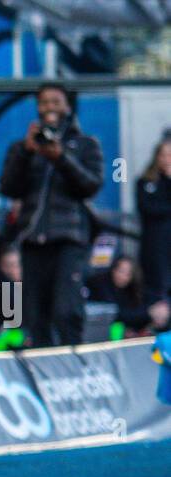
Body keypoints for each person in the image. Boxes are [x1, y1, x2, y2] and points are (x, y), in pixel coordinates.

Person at [0, 83, 103, 347]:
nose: (49, 108)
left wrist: (61, 158)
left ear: (67, 105)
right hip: (32, 239)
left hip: (69, 238)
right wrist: (25, 152)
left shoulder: (86, 145)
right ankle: (44, 367)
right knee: (35, 313)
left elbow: (90, 186)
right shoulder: (22, 147)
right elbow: (9, 187)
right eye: (44, 102)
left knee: (66, 309)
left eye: (55, 101)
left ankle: (73, 364)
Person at [86, 256, 171, 338]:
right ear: (113, 269)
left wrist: (159, 308)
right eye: (120, 271)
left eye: (128, 274)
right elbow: (116, 313)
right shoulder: (101, 285)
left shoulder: (132, 287)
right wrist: (148, 313)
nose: (123, 276)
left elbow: (149, 298)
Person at [136, 139, 171, 306]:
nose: (166, 159)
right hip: (154, 247)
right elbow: (147, 209)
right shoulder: (145, 182)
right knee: (156, 291)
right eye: (163, 155)